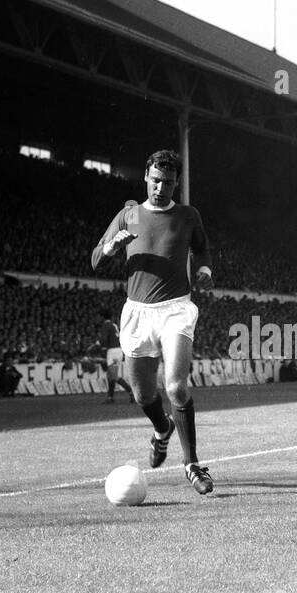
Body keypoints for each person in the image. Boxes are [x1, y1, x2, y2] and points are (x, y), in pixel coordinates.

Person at [90, 149, 214, 495]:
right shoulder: (128, 215)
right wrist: (114, 244)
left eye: (169, 183)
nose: (161, 188)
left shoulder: (188, 216)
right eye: (156, 180)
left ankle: (192, 465)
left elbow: (201, 250)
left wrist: (204, 270)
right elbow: (96, 259)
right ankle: (162, 430)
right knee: (144, 394)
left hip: (176, 308)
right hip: (137, 312)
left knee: (175, 386)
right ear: (145, 176)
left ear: (177, 184)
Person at [92, 308, 133, 404]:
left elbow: (104, 339)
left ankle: (132, 392)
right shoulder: (113, 324)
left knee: (113, 376)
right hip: (116, 351)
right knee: (110, 376)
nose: (96, 318)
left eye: (98, 316)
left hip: (113, 352)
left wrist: (96, 345)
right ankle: (110, 397)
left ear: (102, 316)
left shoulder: (106, 325)